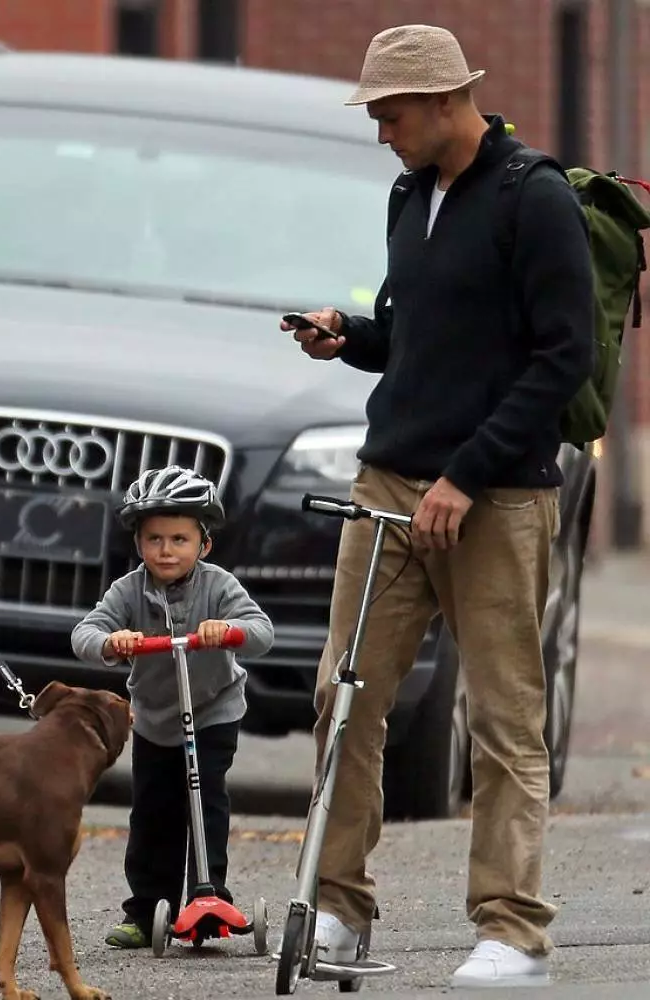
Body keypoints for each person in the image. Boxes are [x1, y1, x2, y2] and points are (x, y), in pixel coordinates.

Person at [281, 24, 593, 989]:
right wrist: (355, 337)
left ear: (447, 102)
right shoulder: (411, 192)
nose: (380, 131)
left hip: (493, 496)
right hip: (388, 481)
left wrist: (467, 473)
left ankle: (513, 927)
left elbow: (561, 358)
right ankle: (337, 910)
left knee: (503, 716)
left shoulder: (530, 198)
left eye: (391, 113)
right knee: (345, 697)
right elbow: (426, 338)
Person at [71, 466, 274, 949]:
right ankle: (145, 912)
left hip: (212, 711)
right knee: (153, 813)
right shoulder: (128, 590)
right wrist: (112, 641)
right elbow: (84, 633)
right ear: (139, 543)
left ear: (203, 544)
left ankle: (208, 897)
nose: (166, 550)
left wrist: (227, 631)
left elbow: (261, 630)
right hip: (157, 720)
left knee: (206, 804)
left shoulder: (218, 585)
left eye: (179, 539)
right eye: (155, 539)